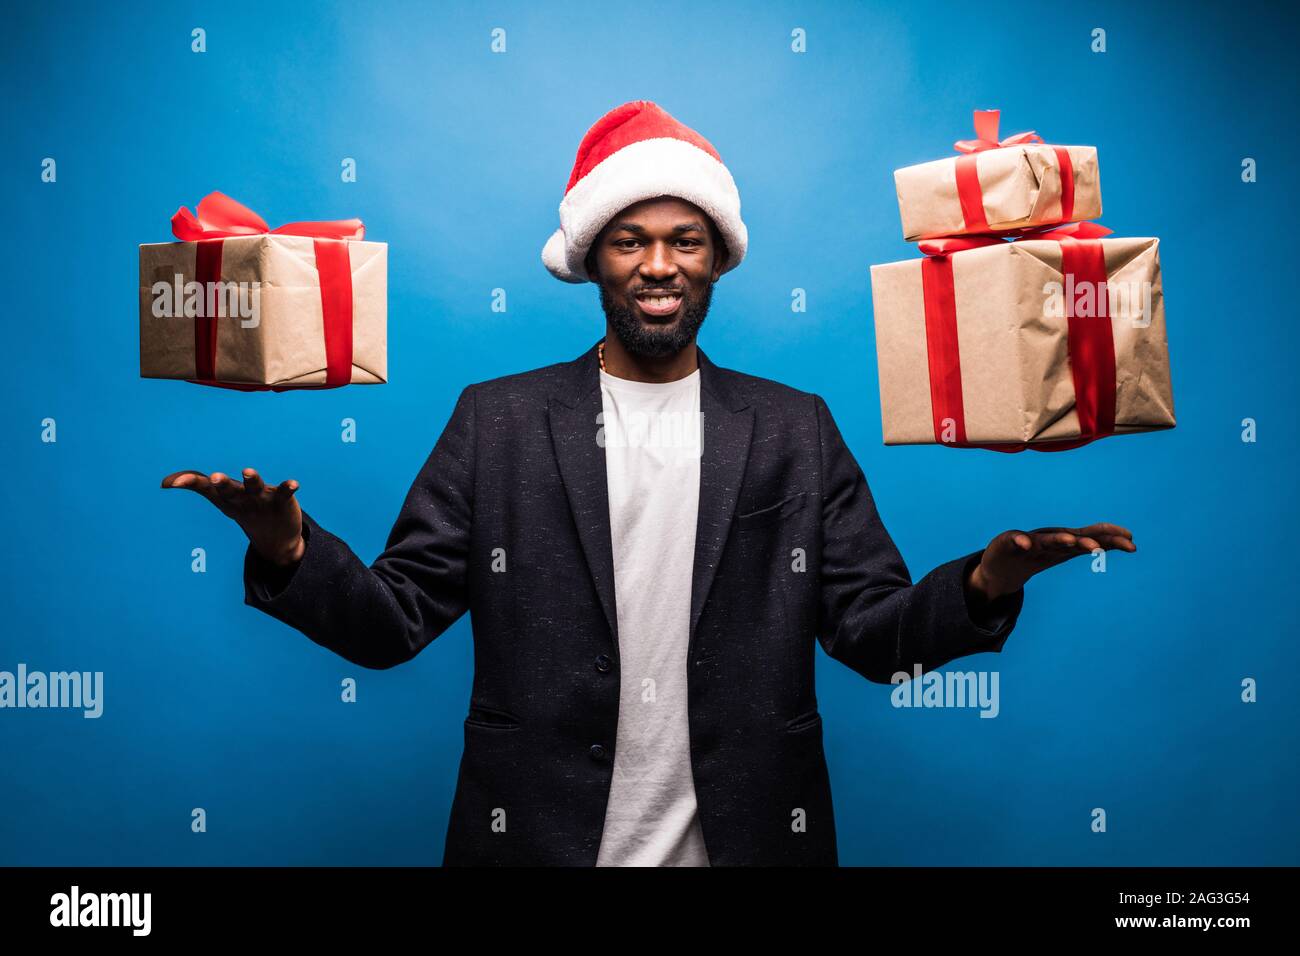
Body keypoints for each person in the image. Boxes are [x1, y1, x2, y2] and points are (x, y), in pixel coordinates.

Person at [161, 100, 1136, 866]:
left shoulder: (793, 428)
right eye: (630, 240)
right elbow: (390, 622)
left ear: (717, 258)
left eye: (685, 239)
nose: (658, 264)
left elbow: (872, 636)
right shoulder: (494, 421)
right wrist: (287, 547)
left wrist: (983, 586)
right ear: (592, 260)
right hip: (533, 847)